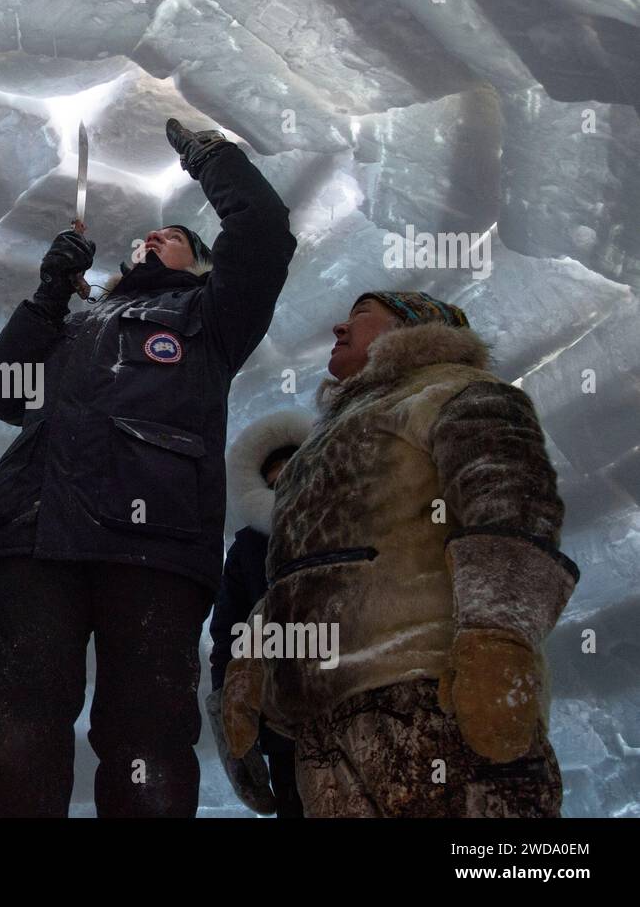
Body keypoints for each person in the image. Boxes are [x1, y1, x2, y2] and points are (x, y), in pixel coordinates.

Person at [0, 119, 297, 816]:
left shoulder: (210, 317)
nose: (153, 237)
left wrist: (212, 158)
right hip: (36, 536)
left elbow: (264, 231)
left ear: (202, 264)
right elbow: (1, 389)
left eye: (172, 236)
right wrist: (51, 290)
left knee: (145, 731)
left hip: (153, 542)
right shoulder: (75, 325)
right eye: (147, 236)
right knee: (17, 715)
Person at [222, 292, 578, 817]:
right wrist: (250, 669)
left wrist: (498, 640)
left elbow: (509, 506)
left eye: (361, 314)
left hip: (434, 699)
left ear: (416, 327)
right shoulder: (315, 453)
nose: (340, 327)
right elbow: (300, 576)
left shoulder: (452, 391)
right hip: (321, 731)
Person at [206, 409, 313, 817]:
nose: (283, 482)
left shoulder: (350, 529)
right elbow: (228, 637)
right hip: (282, 724)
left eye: (294, 469)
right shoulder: (249, 549)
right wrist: (230, 723)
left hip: (354, 710)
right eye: (274, 475)